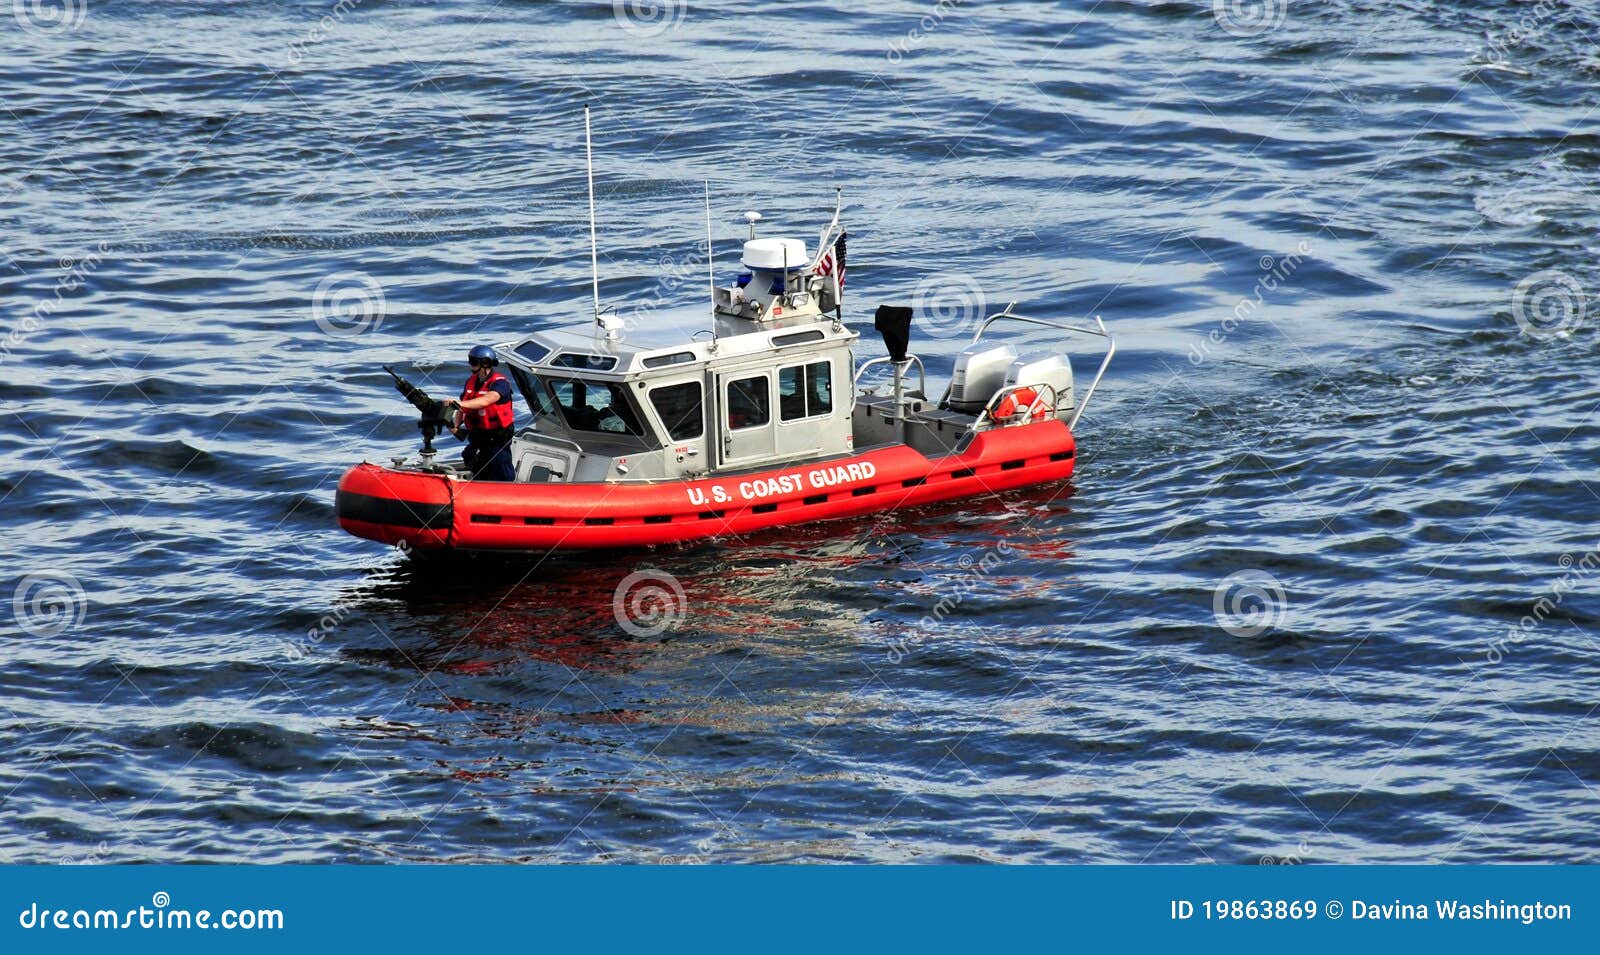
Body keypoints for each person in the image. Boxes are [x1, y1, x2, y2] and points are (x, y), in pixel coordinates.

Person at [445, 345, 516, 481]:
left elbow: (487, 400)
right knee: (470, 456)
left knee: (500, 464)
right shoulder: (470, 382)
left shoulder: (500, 383)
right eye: (470, 361)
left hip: (497, 436)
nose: (470, 365)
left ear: (485, 363)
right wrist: (456, 425)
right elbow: (463, 405)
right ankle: (480, 485)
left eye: (473, 361)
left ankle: (506, 489)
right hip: (478, 434)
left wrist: (459, 404)